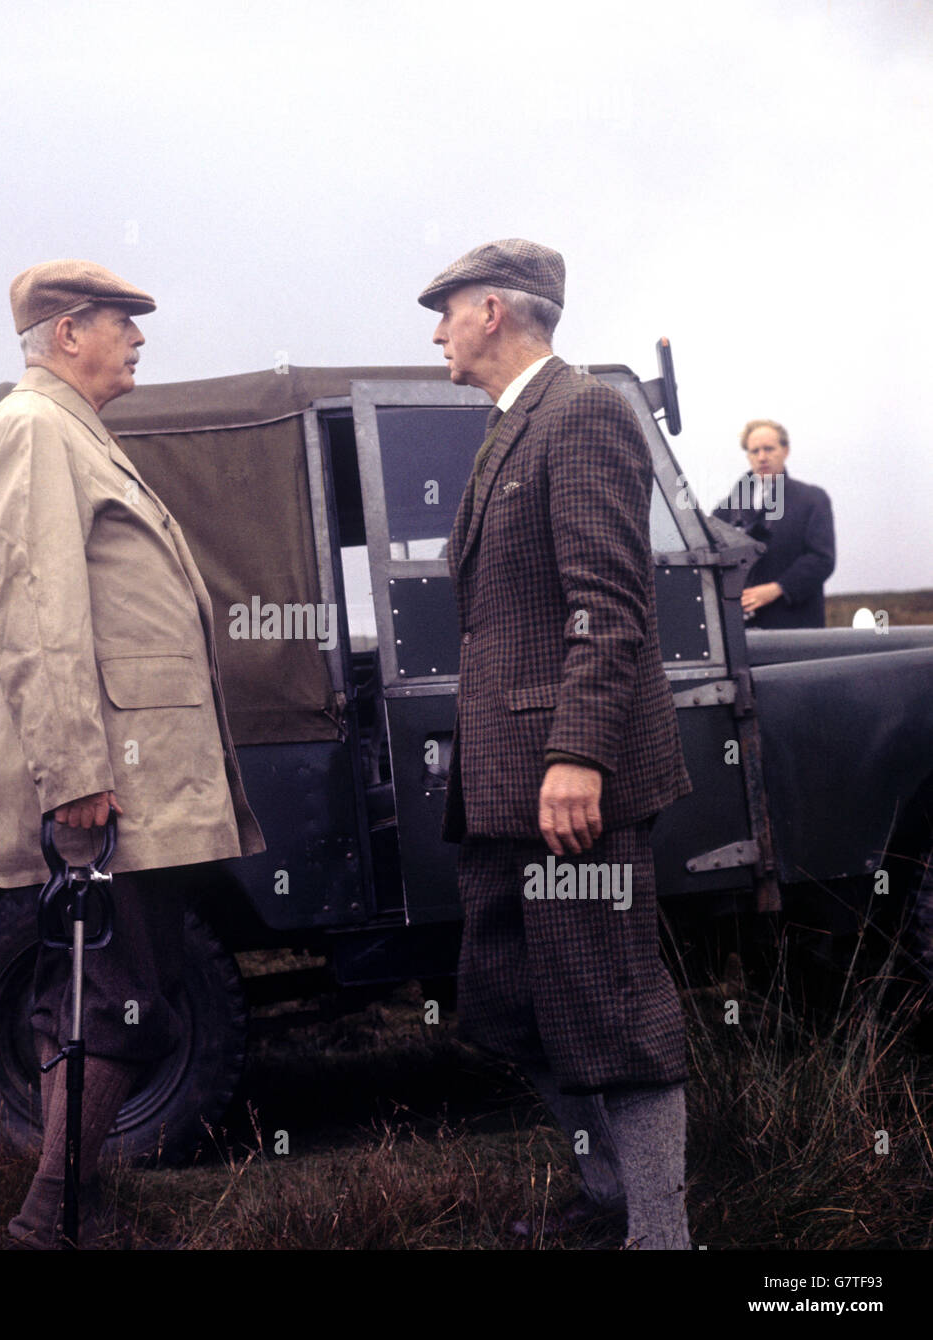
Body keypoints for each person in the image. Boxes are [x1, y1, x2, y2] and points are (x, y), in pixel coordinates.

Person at [0, 259, 264, 1248]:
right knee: (112, 996)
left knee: (106, 993)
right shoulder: (37, 428)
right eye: (124, 321)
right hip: (103, 776)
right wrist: (75, 768)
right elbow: (35, 613)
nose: (139, 337)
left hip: (124, 772)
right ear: (67, 330)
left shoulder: (65, 429)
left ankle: (70, 1208)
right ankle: (52, 1219)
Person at [420, 239, 693, 1249]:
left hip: (573, 786)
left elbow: (610, 607)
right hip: (509, 788)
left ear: (491, 310)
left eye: (445, 308)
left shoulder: (581, 412)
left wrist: (576, 753)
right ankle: (606, 1195)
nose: (435, 328)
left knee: (607, 1007)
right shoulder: (510, 423)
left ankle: (658, 1233)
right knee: (513, 998)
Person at [711, 419, 835, 628]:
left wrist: (778, 589)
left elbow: (822, 559)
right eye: (754, 451)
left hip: (795, 628)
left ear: (785, 450)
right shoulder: (726, 509)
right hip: (738, 633)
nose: (762, 457)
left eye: (769, 449)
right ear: (748, 456)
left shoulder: (812, 499)